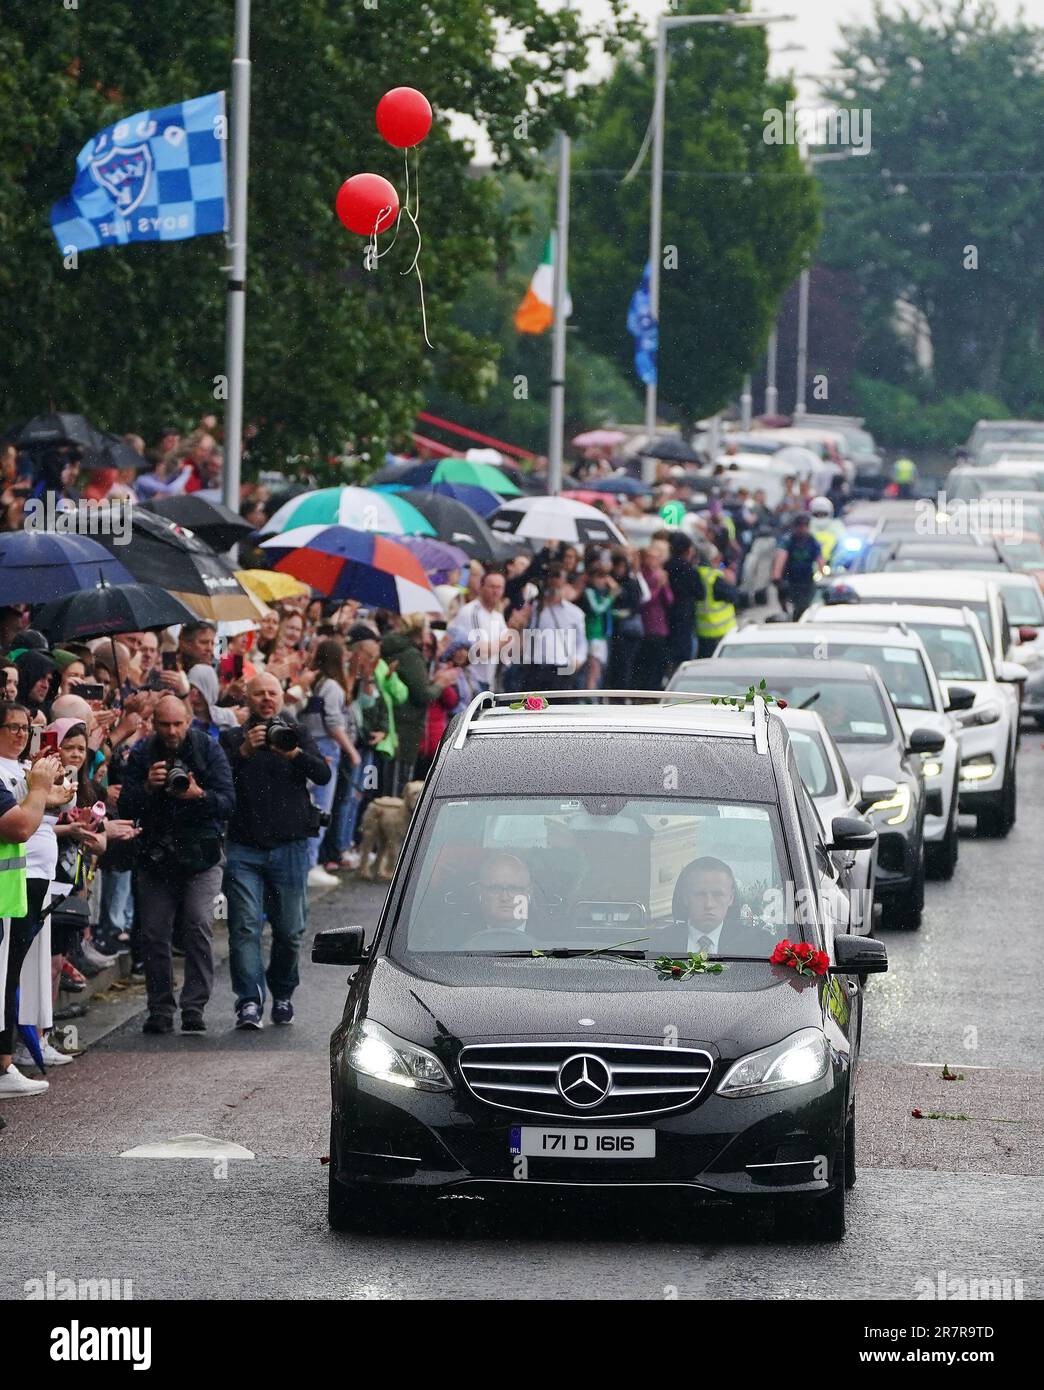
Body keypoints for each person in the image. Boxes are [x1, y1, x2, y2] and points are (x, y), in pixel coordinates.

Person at [117, 695, 234, 1035]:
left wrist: (198, 794)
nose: (171, 731)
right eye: (164, 724)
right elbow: (125, 804)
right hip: (157, 856)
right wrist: (147, 787)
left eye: (177, 724)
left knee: (198, 923)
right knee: (153, 932)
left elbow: (228, 802)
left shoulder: (208, 749)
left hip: (202, 855)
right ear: (153, 724)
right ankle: (160, 1008)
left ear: (188, 722)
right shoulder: (143, 753)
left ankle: (194, 1005)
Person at [220, 673, 331, 1030]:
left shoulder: (296, 732)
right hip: (244, 848)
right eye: (259, 694)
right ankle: (249, 1001)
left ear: (281, 697)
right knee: (244, 927)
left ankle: (282, 994)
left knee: (290, 929)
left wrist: (294, 752)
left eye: (273, 693)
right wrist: (244, 752)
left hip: (291, 847)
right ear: (247, 699)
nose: (267, 699)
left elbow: (323, 775)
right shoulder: (232, 738)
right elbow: (220, 781)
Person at [0, 703, 65, 1098]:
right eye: (12, 726)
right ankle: (4, 1063)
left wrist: (48, 794)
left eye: (26, 728)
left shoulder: (15, 767)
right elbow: (21, 825)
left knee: (9, 980)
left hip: (15, 891)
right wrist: (40, 790)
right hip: (10, 891)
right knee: (5, 982)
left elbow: (31, 811)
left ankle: (6, 1062)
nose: (21, 734)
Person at [296, 637, 360, 886]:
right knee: (321, 807)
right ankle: (311, 863)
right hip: (325, 747)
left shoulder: (317, 682)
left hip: (314, 745)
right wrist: (351, 751)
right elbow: (333, 723)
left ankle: (310, 861)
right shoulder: (331, 686)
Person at [510, 566, 588, 692]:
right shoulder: (533, 607)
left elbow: (581, 643)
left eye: (558, 576)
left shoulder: (574, 613)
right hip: (534, 667)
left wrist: (576, 662)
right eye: (552, 576)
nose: (554, 581)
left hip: (561, 668)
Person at [670, 857, 769, 956]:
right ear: (685, 897)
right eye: (700, 894)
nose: (709, 904)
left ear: (731, 898)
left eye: (718, 894)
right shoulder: (659, 944)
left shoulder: (757, 945)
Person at [446, 569, 511, 691]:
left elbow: (508, 649)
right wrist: (503, 641)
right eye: (492, 587)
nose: (495, 592)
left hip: (490, 682)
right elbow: (480, 652)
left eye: (499, 588)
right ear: (481, 588)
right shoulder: (471, 612)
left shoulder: (497, 616)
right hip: (471, 680)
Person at [470, 853, 534, 942]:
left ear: (529, 892)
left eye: (514, 889)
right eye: (495, 889)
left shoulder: (554, 935)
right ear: (479, 892)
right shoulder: (457, 934)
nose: (504, 897)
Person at [772, 513, 823, 621]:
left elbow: (819, 558)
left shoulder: (812, 541)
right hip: (791, 578)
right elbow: (781, 555)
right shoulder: (788, 540)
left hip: (807, 579)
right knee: (786, 595)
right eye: (800, 526)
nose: (802, 529)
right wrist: (776, 575)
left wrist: (823, 573)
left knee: (804, 604)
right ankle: (787, 612)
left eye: (805, 526)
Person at [664, 533, 702, 673]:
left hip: (667, 616)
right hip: (685, 616)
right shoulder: (690, 570)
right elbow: (700, 593)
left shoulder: (665, 567)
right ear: (688, 550)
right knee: (684, 657)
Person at [694, 554, 739, 659]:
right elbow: (733, 597)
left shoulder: (696, 573)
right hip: (722, 630)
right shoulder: (714, 577)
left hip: (702, 631)